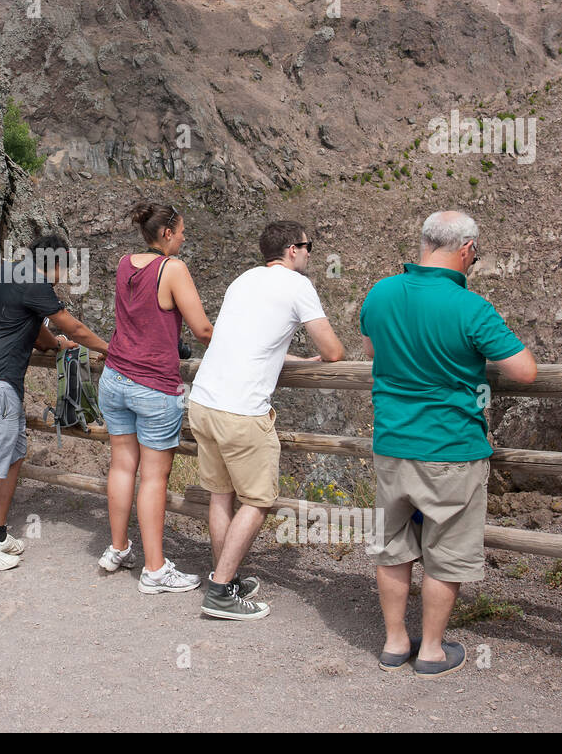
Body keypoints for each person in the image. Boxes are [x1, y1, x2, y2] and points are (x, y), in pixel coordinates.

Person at [362, 211, 537, 678]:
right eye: (475, 253)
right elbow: (525, 371)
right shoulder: (471, 307)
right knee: (448, 550)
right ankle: (433, 651)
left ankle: (396, 642)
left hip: (392, 443)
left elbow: (372, 351)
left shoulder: (380, 293)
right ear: (466, 250)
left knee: (393, 546)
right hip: (451, 449)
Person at [189, 221, 344, 620]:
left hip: (204, 401)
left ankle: (225, 576)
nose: (310, 253)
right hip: (241, 411)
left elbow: (243, 342)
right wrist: (316, 357)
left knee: (221, 494)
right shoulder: (297, 286)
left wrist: (289, 358)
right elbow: (332, 351)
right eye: (308, 246)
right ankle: (221, 592)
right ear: (292, 249)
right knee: (258, 500)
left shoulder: (243, 280)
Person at [0, 235, 109, 570]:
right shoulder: (36, 283)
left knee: (13, 456)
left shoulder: (6, 274)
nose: (64, 273)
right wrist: (110, 351)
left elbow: (36, 329)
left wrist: (55, 344)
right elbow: (77, 328)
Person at [98, 202, 215, 593]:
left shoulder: (124, 263)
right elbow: (202, 329)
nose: (184, 236)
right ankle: (155, 569)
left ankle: (117, 548)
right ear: (166, 233)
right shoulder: (173, 269)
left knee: (121, 466)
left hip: (115, 376)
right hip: (153, 384)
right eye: (181, 230)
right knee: (153, 477)